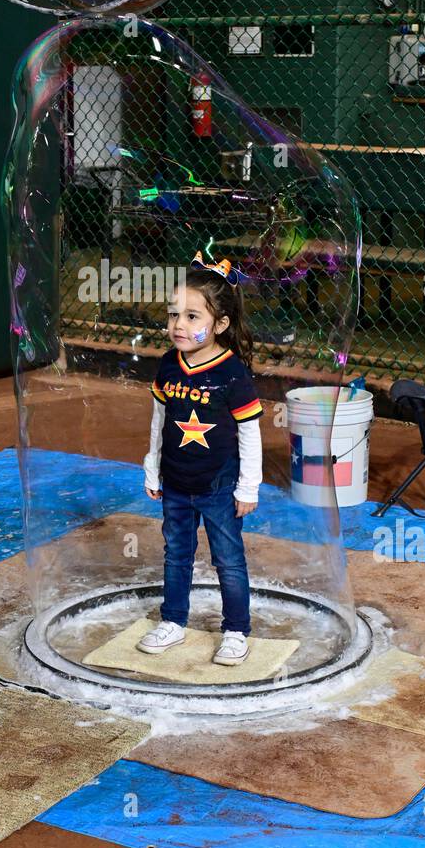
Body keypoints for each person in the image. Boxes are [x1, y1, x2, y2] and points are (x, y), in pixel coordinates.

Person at [140, 251, 263, 665]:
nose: (179, 325)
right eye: (175, 315)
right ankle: (173, 621)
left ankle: (236, 630)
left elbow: (250, 431)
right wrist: (153, 468)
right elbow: (160, 419)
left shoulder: (232, 374)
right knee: (176, 553)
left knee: (228, 558)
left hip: (219, 487)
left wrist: (248, 486)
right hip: (176, 483)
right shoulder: (168, 366)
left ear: (220, 324)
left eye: (193, 317)